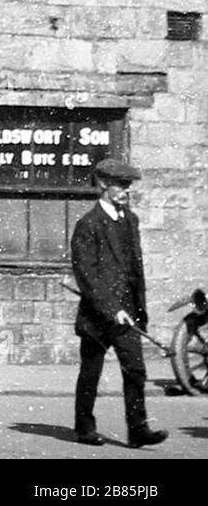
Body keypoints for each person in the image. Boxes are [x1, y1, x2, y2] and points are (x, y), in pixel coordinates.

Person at [71, 158, 167, 448]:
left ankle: (138, 430)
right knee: (91, 373)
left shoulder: (131, 220)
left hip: (129, 314)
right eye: (121, 185)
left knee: (135, 370)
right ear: (103, 185)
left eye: (129, 185)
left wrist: (137, 309)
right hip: (98, 315)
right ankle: (84, 428)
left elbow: (135, 269)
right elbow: (86, 275)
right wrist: (113, 309)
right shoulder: (87, 224)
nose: (127, 190)